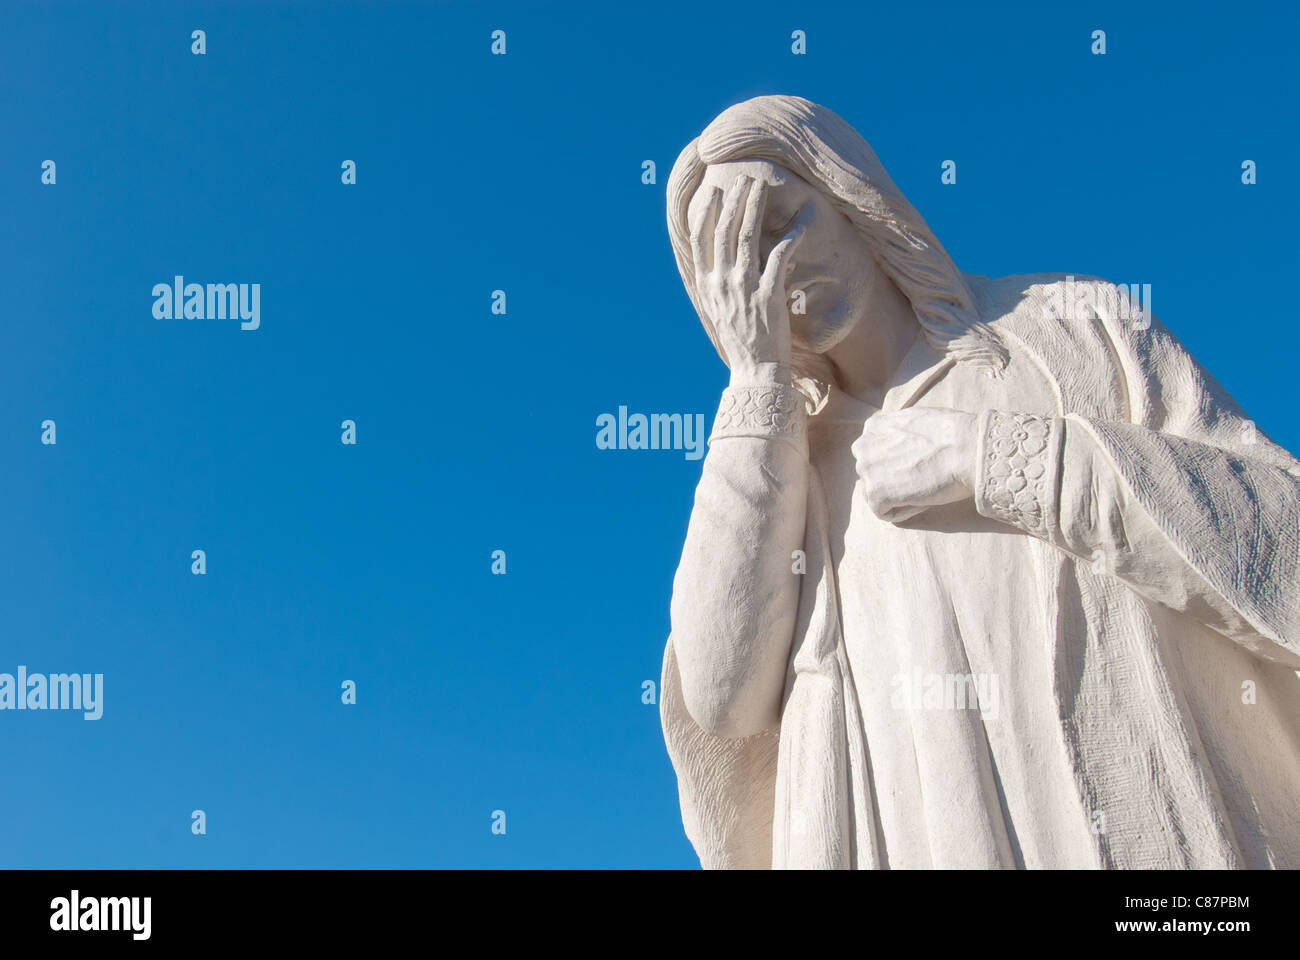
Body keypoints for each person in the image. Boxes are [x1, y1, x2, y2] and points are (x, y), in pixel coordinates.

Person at [660, 94, 1300, 869]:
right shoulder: (778, 461)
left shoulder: (1071, 326)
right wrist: (758, 382)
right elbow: (724, 698)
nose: (768, 271)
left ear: (849, 196)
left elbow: (1278, 538)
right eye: (730, 256)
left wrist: (1004, 459)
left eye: (779, 218)